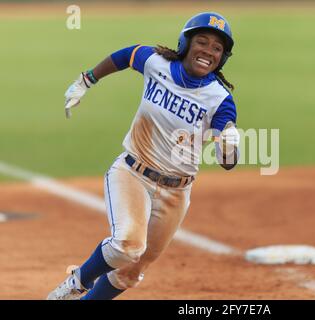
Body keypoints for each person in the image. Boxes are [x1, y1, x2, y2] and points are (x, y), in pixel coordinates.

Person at [47, 12, 240, 300]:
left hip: (177, 193)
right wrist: (87, 80)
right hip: (133, 173)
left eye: (217, 48)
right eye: (202, 41)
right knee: (127, 245)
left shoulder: (220, 99)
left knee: (131, 271)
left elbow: (228, 163)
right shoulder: (156, 62)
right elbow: (126, 55)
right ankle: (76, 285)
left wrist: (228, 145)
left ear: (222, 58)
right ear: (186, 43)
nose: (208, 51)